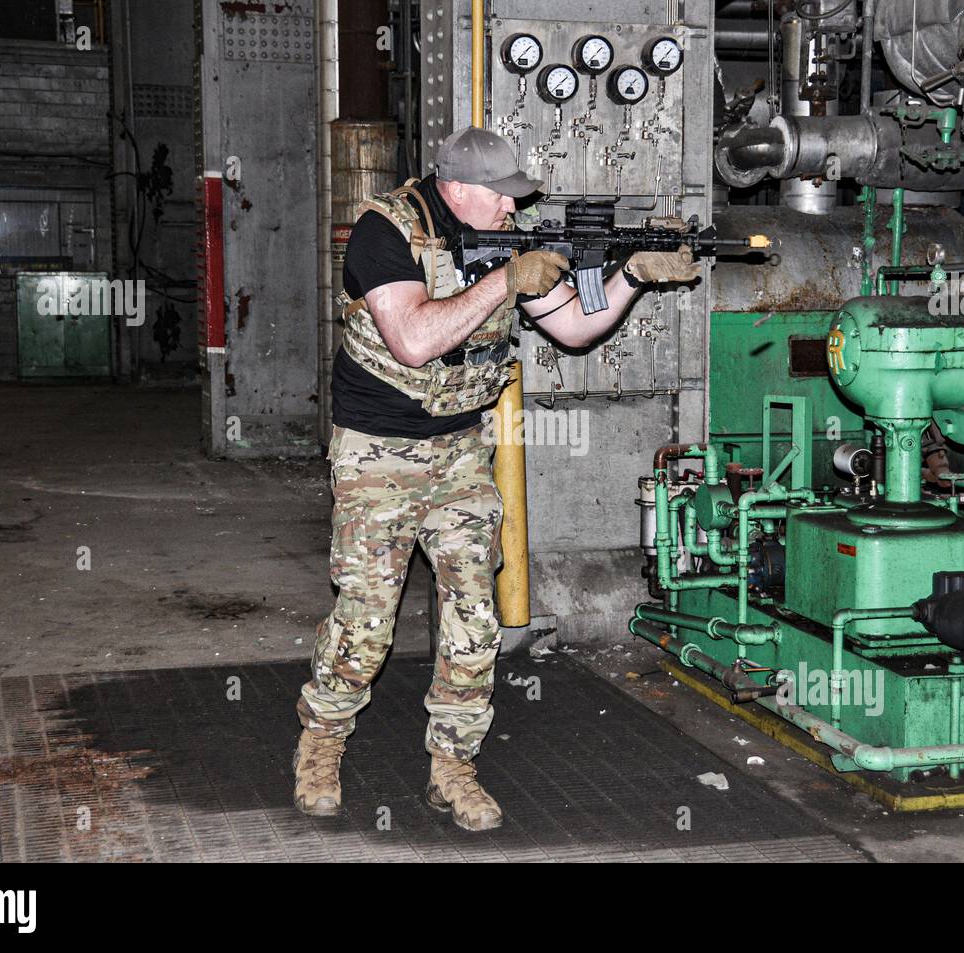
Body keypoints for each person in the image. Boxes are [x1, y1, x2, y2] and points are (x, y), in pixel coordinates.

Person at [295, 126, 700, 830]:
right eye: (501, 198)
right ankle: (321, 743)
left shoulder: (507, 238)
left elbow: (574, 326)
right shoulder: (383, 232)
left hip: (459, 452)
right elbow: (414, 340)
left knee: (475, 622)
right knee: (365, 622)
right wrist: (503, 282)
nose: (513, 212)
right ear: (457, 188)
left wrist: (632, 275)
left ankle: (452, 764)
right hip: (379, 455)